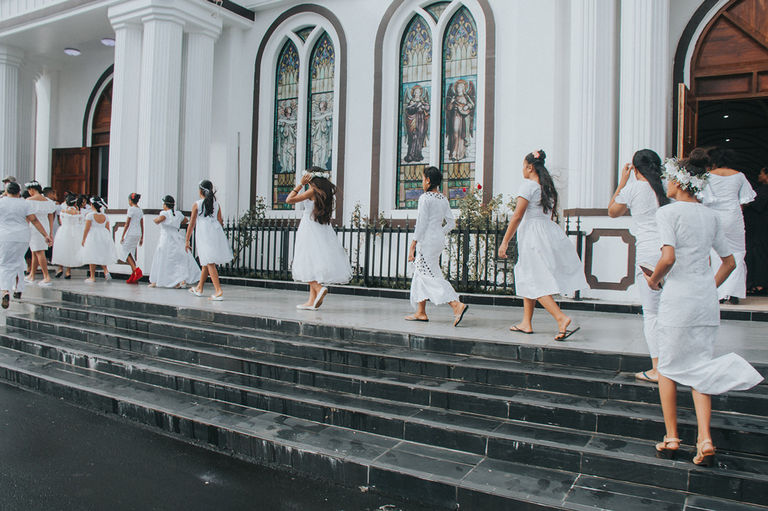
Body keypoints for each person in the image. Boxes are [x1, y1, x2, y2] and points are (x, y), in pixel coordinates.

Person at [646, 154, 762, 467]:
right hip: (704, 300)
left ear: (680, 182)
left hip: (679, 298)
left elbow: (668, 258)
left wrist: (654, 281)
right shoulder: (711, 216)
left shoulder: (668, 214)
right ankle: (705, 439)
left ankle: (671, 437)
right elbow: (730, 261)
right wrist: (710, 287)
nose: (666, 183)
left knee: (668, 367)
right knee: (700, 365)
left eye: (669, 178)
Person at [498, 150, 586, 340]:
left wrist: (505, 241)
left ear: (530, 167)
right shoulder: (547, 188)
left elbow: (517, 216)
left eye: (523, 166)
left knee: (535, 280)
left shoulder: (528, 186)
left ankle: (560, 318)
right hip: (546, 232)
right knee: (529, 276)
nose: (522, 169)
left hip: (532, 237)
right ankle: (526, 322)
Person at [608, 149, 669, 383]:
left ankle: (657, 368)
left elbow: (612, 212)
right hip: (671, 251)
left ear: (635, 168)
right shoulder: (668, 187)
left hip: (648, 255)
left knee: (652, 314)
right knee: (670, 309)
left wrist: (622, 182)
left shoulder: (633, 189)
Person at [404, 166, 468, 326]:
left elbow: (421, 223)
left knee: (428, 275)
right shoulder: (443, 199)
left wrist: (413, 245)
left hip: (427, 240)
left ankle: (456, 304)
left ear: (428, 180)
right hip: (438, 240)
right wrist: (440, 231)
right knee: (423, 273)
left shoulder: (425, 198)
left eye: (423, 179)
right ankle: (421, 312)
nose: (421, 182)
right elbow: (452, 223)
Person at [285, 167, 352, 310]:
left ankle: (319, 287)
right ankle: (311, 301)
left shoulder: (312, 191)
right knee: (313, 261)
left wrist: (300, 184)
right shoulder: (326, 193)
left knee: (306, 259)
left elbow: (289, 200)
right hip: (322, 228)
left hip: (309, 227)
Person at [701, 148, 755, 304]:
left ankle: (717, 292)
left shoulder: (708, 176)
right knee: (737, 252)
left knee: (714, 253)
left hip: (712, 216)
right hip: (733, 216)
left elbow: (702, 197)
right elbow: (745, 199)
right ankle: (732, 292)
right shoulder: (739, 176)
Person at [0, 182, 52, 308]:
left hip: (5, 235)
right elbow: (34, 220)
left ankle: (5, 290)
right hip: (23, 236)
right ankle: (18, 289)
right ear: (19, 192)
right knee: (18, 261)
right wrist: (46, 234)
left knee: (4, 263)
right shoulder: (24, 203)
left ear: (6, 192)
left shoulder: (2, 202)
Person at [185, 180, 233, 300]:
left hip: (204, 232)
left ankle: (218, 290)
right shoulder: (216, 204)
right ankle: (199, 288)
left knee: (209, 261)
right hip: (215, 231)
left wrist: (187, 240)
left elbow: (191, 224)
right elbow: (220, 221)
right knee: (206, 261)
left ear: (200, 190)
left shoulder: (197, 204)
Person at [149, 195, 200, 289]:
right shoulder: (178, 214)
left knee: (164, 259)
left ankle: (160, 280)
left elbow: (158, 220)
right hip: (176, 237)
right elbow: (186, 220)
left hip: (166, 239)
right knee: (178, 259)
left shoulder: (164, 213)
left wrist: (156, 220)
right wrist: (176, 223)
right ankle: (179, 280)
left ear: (165, 204)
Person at [24, 180, 56, 286]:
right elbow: (51, 216)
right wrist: (50, 232)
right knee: (35, 251)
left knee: (39, 252)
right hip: (45, 226)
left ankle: (46, 276)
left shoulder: (29, 201)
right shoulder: (48, 201)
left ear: (32, 190)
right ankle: (32, 275)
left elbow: (29, 217)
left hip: (35, 227)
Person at [80, 196, 115, 282]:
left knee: (92, 255)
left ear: (92, 205)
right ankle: (106, 271)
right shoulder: (105, 216)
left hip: (93, 236)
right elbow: (108, 229)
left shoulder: (90, 215)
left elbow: (87, 228)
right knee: (101, 254)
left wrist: (83, 239)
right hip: (103, 236)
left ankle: (92, 276)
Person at [745, 167, 768, 295]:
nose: (759, 175)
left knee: (760, 253)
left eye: (761, 173)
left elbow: (755, 203)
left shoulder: (764, 190)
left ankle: (760, 284)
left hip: (761, 228)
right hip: (760, 227)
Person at [51, 193, 83, 279]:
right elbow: (80, 222)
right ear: (75, 203)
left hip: (64, 231)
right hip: (74, 232)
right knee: (71, 250)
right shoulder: (78, 212)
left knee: (62, 249)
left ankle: (60, 268)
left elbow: (61, 222)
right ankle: (68, 271)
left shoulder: (63, 212)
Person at [118, 192, 145, 284]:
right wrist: (142, 237)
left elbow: (127, 223)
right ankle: (134, 274)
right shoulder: (140, 210)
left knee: (125, 251)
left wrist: (122, 235)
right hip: (137, 233)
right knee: (130, 253)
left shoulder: (131, 209)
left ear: (130, 200)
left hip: (131, 233)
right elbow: (142, 224)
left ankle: (136, 270)